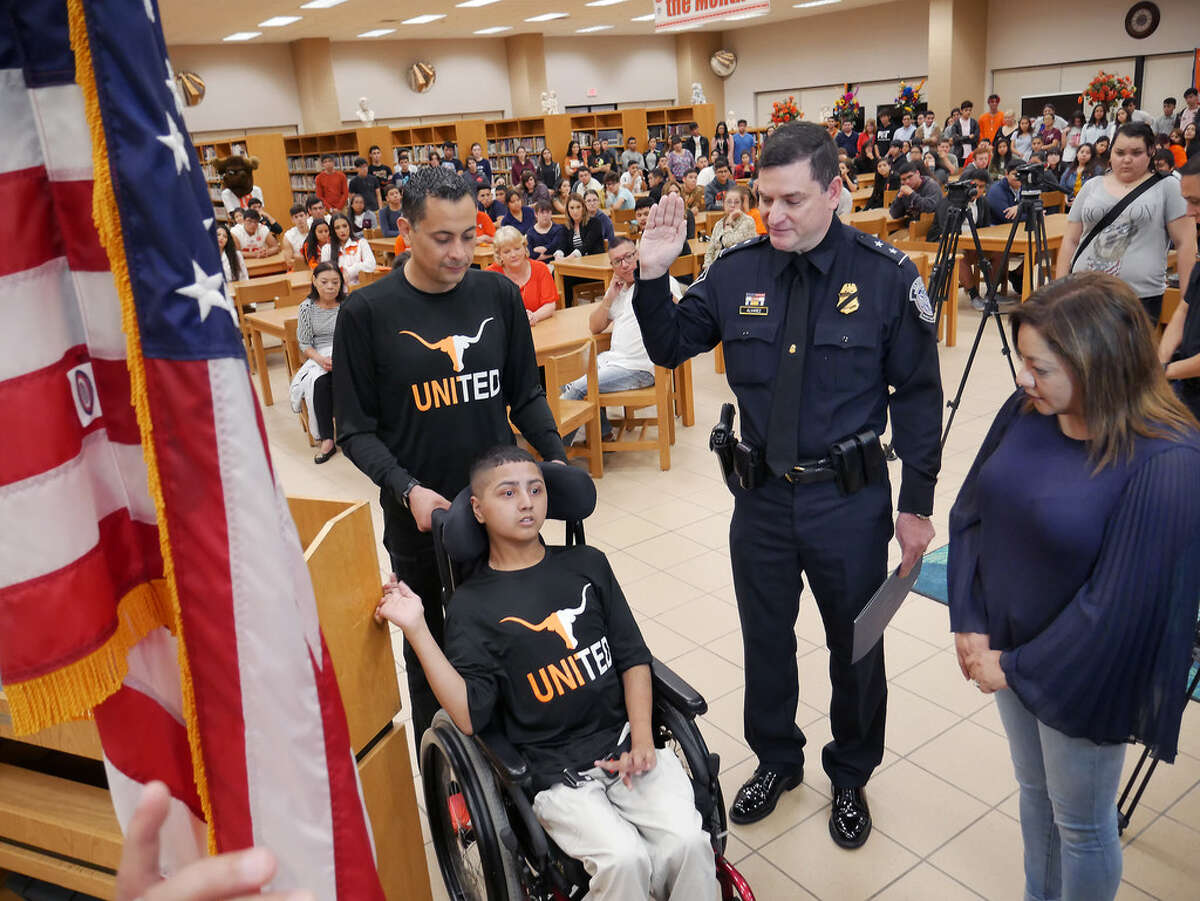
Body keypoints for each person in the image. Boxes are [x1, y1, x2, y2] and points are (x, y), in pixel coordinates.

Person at [632, 121, 942, 847]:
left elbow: (919, 396)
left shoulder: (885, 275)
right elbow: (671, 345)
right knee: (765, 639)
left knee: (855, 647)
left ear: (837, 190)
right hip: (762, 498)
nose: (773, 214)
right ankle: (777, 758)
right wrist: (653, 276)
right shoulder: (737, 271)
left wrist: (916, 505)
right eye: (764, 197)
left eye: (792, 199)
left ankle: (852, 773)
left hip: (849, 501)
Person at [948, 272, 1200, 901]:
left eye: (1039, 366)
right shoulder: (1029, 410)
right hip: (1004, 647)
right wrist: (969, 619)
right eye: (1023, 361)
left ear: (1101, 365)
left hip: (1078, 669)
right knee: (1036, 798)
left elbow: (1117, 610)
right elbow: (971, 512)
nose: (1021, 379)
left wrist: (1014, 664)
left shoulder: (1165, 460)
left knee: (1083, 825)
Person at [376, 446, 719, 901]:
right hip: (555, 776)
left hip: (623, 746)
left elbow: (634, 658)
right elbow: (469, 715)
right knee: (624, 860)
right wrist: (418, 628)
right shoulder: (472, 607)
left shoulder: (588, 564)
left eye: (536, 489)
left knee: (690, 843)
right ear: (477, 509)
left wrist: (641, 741)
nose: (526, 502)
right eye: (508, 492)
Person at [333, 167, 566, 750]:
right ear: (405, 231)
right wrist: (405, 488)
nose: (461, 251)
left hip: (498, 513)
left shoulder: (497, 294)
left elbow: (526, 393)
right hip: (422, 522)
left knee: (505, 637)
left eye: (470, 235)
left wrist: (555, 460)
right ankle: (446, 774)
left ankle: (515, 756)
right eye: (443, 238)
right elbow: (354, 430)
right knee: (431, 652)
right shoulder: (367, 314)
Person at [1058, 123, 1195, 324]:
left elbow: (1185, 243)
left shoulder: (1167, 187)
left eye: (1136, 152)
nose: (1127, 159)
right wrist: (1060, 290)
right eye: (1120, 152)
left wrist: (1187, 305)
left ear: (1151, 152)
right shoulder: (1092, 186)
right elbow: (1070, 240)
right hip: (1083, 294)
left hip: (1138, 299)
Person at [559, 238, 681, 443]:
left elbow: (680, 315)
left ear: (638, 255)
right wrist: (609, 298)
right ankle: (604, 433)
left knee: (580, 388)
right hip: (613, 360)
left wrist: (665, 298)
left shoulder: (660, 282)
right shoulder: (619, 288)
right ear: (612, 266)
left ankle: (556, 453)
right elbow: (595, 326)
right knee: (566, 377)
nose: (624, 265)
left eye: (628, 257)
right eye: (617, 261)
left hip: (640, 367)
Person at [289, 262, 345, 463]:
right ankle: (327, 439)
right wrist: (321, 359)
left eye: (335, 282)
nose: (330, 286)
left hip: (346, 352)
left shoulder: (348, 304)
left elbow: (357, 335)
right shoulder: (307, 308)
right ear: (314, 281)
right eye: (324, 282)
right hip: (319, 355)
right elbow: (304, 343)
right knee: (320, 383)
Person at [1159, 155, 1200, 416]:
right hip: (1188, 384)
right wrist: (1160, 360)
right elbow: (1185, 308)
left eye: (1196, 202)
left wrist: (1165, 372)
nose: (1188, 211)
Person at [488, 226, 558, 325]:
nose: (513, 255)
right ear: (499, 255)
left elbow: (550, 305)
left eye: (517, 248)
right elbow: (489, 309)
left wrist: (534, 317)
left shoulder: (541, 269)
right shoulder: (491, 275)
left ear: (525, 248)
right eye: (507, 251)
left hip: (538, 326)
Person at [703, 185, 757, 271]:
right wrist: (707, 268)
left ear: (741, 205)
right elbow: (710, 250)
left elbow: (730, 243)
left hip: (737, 269)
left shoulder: (748, 221)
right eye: (729, 202)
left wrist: (729, 223)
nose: (732, 205)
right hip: (716, 269)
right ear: (723, 204)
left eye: (736, 202)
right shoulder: (719, 223)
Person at [888, 160, 945, 240]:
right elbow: (894, 214)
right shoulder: (904, 187)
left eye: (910, 177)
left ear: (918, 173)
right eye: (903, 179)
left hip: (929, 230)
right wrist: (899, 197)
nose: (907, 181)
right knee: (885, 244)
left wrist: (912, 194)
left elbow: (929, 208)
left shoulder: (931, 186)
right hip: (910, 228)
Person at [561, 193, 606, 257]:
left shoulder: (594, 223)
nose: (575, 211)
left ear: (583, 208)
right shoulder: (566, 227)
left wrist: (569, 258)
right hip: (575, 263)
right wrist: (559, 253)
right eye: (572, 208)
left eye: (578, 207)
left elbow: (586, 245)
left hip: (594, 262)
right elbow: (562, 245)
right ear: (568, 210)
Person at [215, 223, 247, 309]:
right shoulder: (206, 256)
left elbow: (244, 278)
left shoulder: (236, 255)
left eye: (225, 236)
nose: (221, 238)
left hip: (234, 295)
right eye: (218, 235)